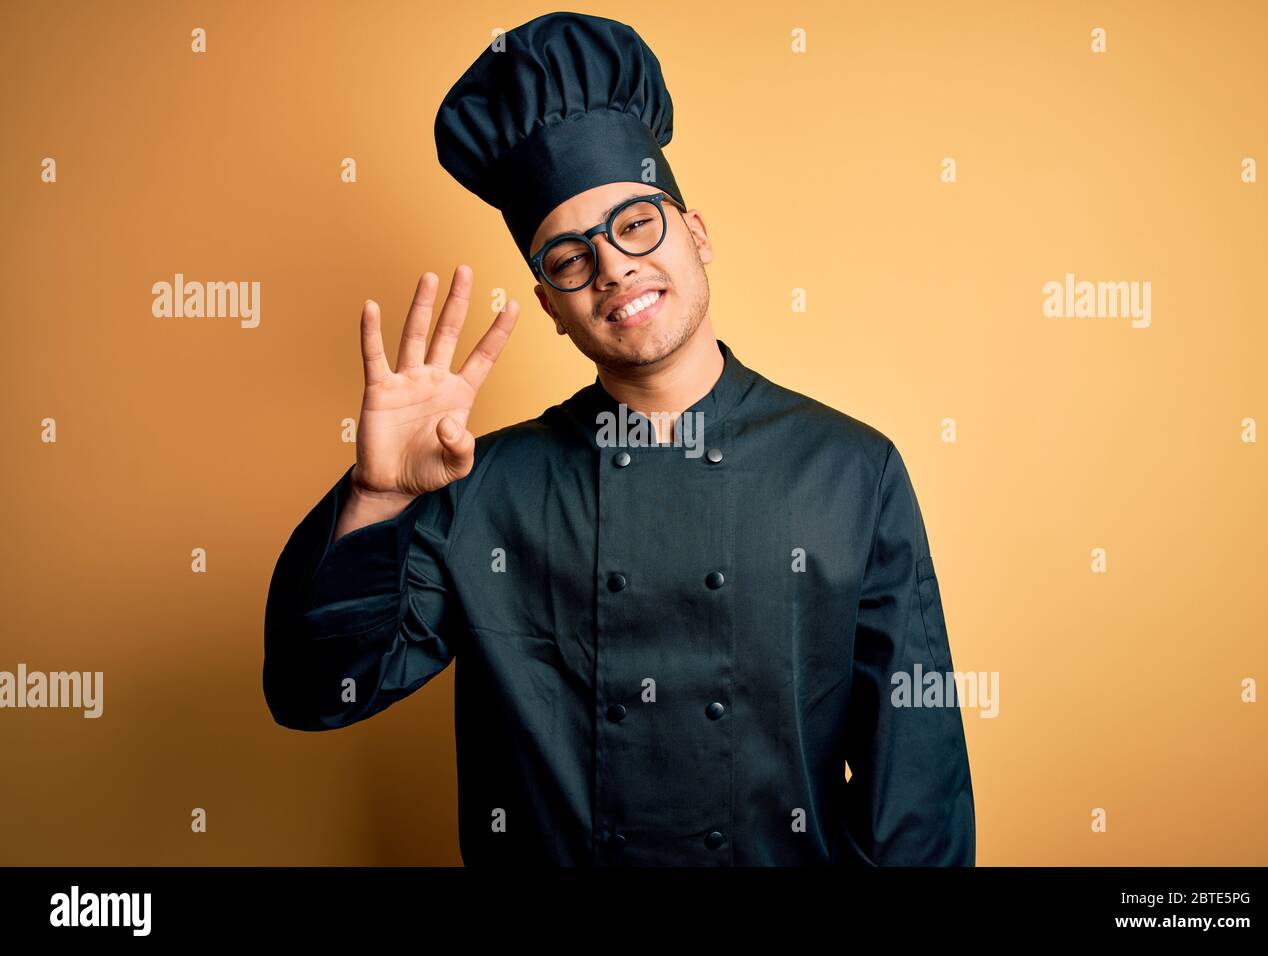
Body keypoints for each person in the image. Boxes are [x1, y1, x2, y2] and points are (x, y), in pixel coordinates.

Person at [263, 11, 975, 867]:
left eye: (635, 223)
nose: (612, 267)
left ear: (696, 234)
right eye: (569, 258)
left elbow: (915, 787)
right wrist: (377, 497)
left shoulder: (851, 470)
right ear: (552, 306)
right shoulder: (483, 487)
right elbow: (317, 693)